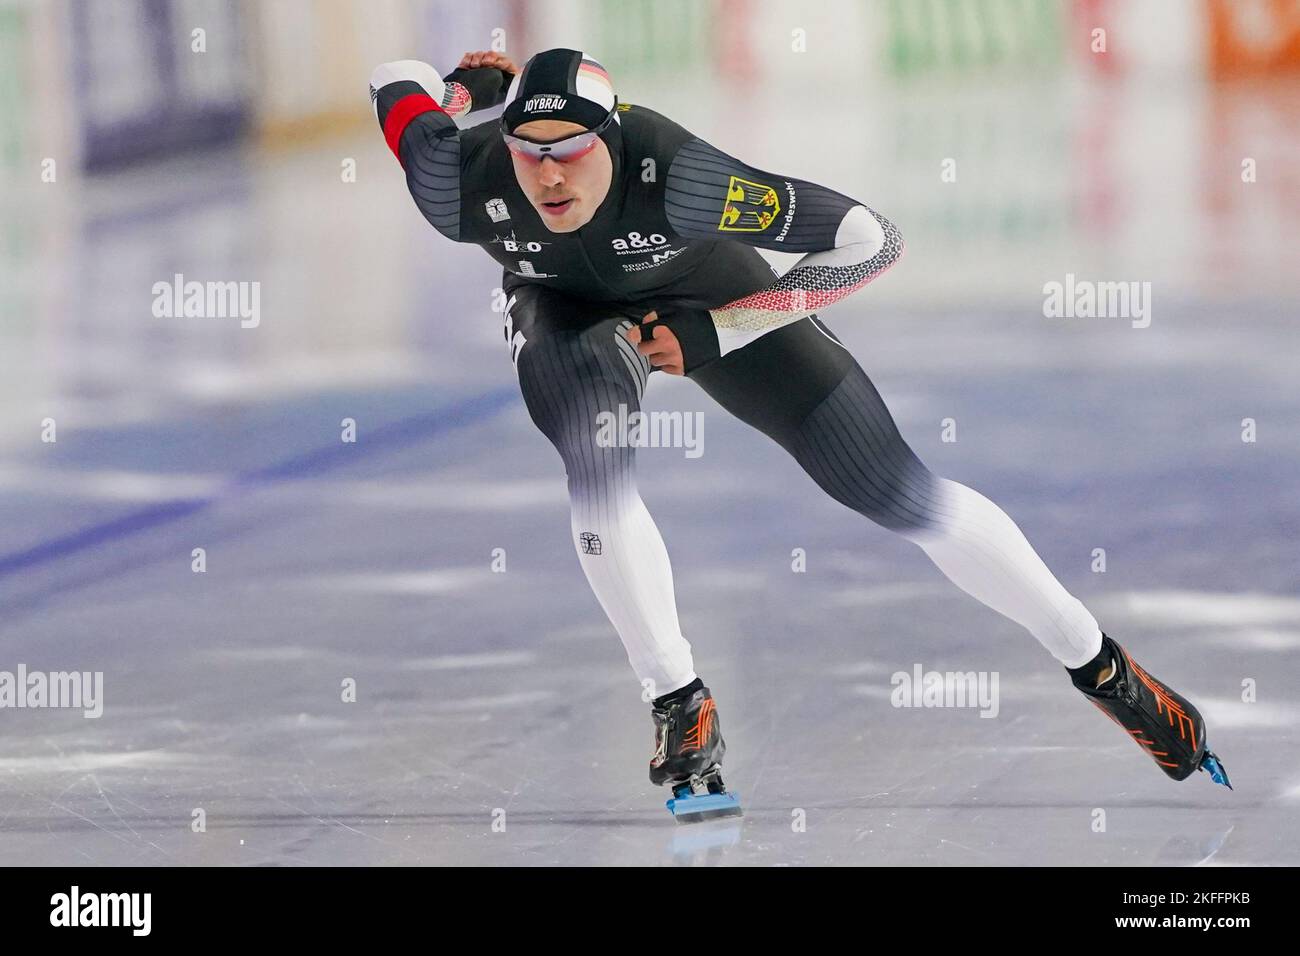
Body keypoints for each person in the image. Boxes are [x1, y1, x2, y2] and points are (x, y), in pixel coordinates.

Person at [368, 48, 1230, 819]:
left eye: (572, 152)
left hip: (713, 294)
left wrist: (724, 331)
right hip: (564, 312)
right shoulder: (456, 181)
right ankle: (678, 699)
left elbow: (870, 240)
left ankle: (1103, 669)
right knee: (596, 464)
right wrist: (454, 92)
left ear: (616, 137)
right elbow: (392, 82)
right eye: (529, 153)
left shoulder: (680, 174)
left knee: (896, 491)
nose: (549, 178)